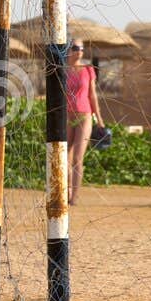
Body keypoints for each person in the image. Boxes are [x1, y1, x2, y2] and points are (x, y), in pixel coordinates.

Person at [64, 41, 98, 204]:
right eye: (76, 48)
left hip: (84, 115)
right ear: (68, 50)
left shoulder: (88, 69)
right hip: (67, 115)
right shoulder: (62, 70)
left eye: (82, 49)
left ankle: (75, 197)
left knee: (78, 157)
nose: (79, 51)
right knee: (65, 157)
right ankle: (67, 192)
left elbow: (92, 95)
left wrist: (99, 118)